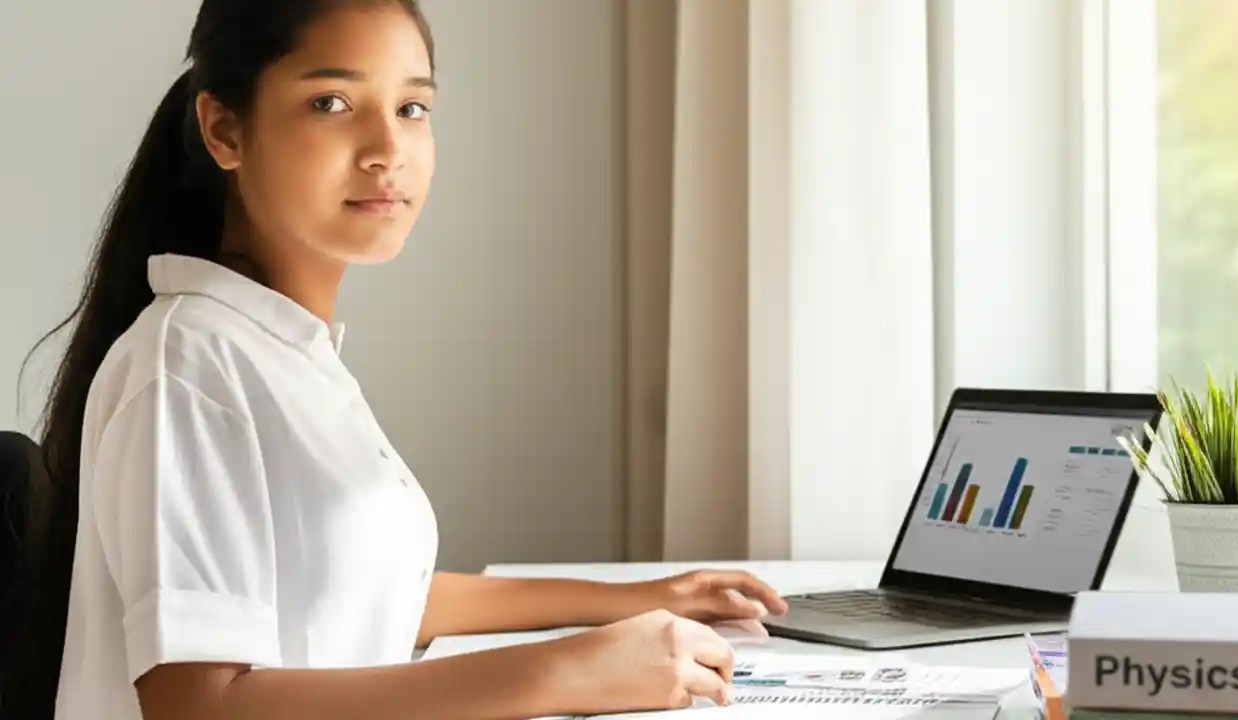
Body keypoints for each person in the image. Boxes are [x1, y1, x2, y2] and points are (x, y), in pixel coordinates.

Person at [9, 1, 789, 719]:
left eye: (413, 107)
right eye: (332, 104)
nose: (389, 150)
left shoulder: (282, 353)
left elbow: (362, 593)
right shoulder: (188, 363)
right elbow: (198, 706)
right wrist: (565, 671)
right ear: (224, 132)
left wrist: (638, 598)